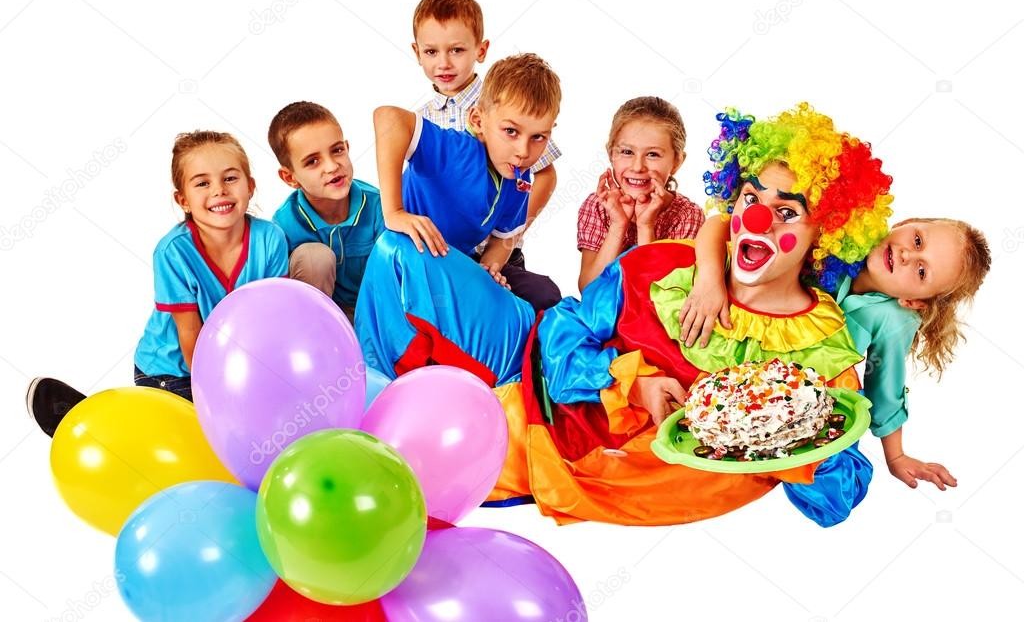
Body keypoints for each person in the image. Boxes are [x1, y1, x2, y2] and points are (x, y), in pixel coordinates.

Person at [356, 103, 893, 527]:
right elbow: (569, 324)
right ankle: (352, 401)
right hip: (527, 348)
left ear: (827, 231)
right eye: (750, 198)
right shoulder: (668, 259)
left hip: (556, 438)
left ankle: (372, 423)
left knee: (399, 465)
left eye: (786, 212)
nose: (757, 220)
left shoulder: (821, 346)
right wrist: (629, 382)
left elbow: (835, 499)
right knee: (397, 253)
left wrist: (782, 427)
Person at [678, 212, 990, 490]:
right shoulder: (837, 235)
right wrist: (709, 279)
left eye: (922, 272)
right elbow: (722, 222)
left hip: (796, 403)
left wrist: (896, 457)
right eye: (917, 240)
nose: (907, 255)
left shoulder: (894, 318)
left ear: (915, 302)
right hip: (733, 351)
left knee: (833, 490)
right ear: (904, 223)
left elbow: (885, 386)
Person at [27, 131, 288, 436]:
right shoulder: (173, 251)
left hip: (237, 368)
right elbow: (191, 339)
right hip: (173, 372)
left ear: (250, 186)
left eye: (230, 178)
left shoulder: (270, 239)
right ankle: (86, 422)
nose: (219, 190)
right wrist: (226, 397)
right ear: (183, 200)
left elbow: (272, 320)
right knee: (183, 442)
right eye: (202, 183)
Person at [373, 52, 562, 313]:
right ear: (477, 120)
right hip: (408, 261)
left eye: (538, 137)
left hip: (452, 264)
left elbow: (502, 240)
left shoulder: (518, 180)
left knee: (544, 294)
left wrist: (487, 272)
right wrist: (394, 212)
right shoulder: (456, 151)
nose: (523, 150)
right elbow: (388, 118)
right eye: (510, 131)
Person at [412, 0, 561, 288]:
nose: (443, 63)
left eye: (456, 50)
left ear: (480, 50)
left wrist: (509, 230)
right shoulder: (422, 119)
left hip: (497, 252)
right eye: (431, 52)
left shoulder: (503, 101)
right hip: (443, 252)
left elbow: (544, 173)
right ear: (417, 52)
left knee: (532, 297)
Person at [269, 101, 385, 322]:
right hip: (321, 319)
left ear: (347, 148)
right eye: (313, 161)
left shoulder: (378, 206)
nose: (332, 166)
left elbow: (393, 280)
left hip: (377, 312)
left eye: (337, 150)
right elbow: (276, 297)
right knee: (314, 257)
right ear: (290, 177)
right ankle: (318, 344)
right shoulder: (283, 226)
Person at [578, 95, 704, 290]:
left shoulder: (687, 216)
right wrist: (618, 225)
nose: (638, 167)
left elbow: (659, 295)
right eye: (627, 152)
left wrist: (646, 227)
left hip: (656, 316)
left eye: (652, 154)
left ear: (677, 161)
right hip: (603, 314)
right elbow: (588, 289)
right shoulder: (599, 205)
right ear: (611, 153)